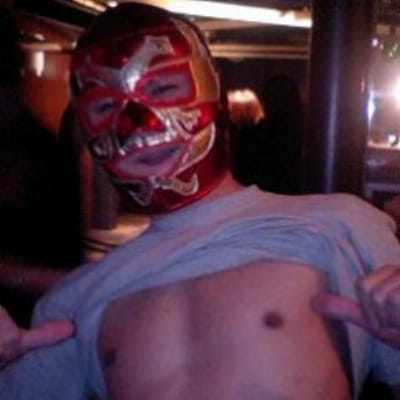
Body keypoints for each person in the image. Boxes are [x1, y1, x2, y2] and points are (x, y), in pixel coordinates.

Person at [2, 3, 400, 400]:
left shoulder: (340, 224)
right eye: (106, 106)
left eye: (162, 88)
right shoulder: (73, 301)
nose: (136, 122)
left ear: (212, 87)